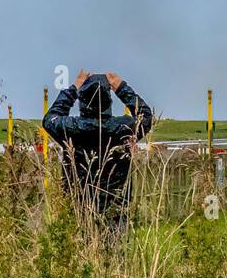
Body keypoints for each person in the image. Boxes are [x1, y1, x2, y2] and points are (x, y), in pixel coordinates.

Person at [42, 70, 153, 225]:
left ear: (82, 101)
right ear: (108, 101)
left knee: (78, 242)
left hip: (77, 207)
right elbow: (146, 117)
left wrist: (74, 88)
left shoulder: (71, 128)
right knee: (116, 244)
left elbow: (49, 119)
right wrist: (121, 87)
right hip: (115, 208)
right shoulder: (123, 128)